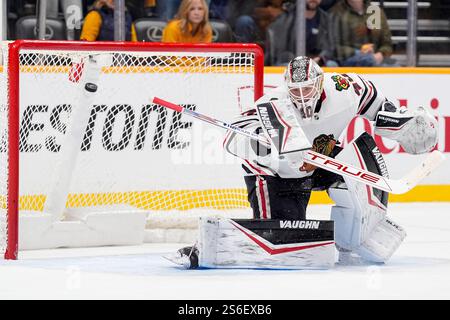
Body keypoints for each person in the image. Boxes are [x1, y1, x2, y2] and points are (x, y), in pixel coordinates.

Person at [169, 56, 438, 269]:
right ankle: (207, 245)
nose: (301, 96)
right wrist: (266, 147)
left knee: (351, 179)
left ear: (320, 83)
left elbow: (378, 105)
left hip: (322, 160)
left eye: (307, 88)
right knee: (285, 241)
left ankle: (357, 238)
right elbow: (232, 139)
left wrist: (403, 125)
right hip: (275, 175)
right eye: (295, 90)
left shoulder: (345, 88)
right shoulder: (272, 103)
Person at [265, 0, 337, 66]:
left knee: (332, 65)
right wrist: (298, 60)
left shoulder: (326, 19)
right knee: (285, 66)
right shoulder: (286, 18)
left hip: (317, 63)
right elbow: (281, 49)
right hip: (291, 62)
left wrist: (320, 58)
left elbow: (330, 47)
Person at [329, 0, 396, 66]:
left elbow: (387, 43)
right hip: (347, 59)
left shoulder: (375, 12)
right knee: (368, 59)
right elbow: (333, 47)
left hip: (375, 59)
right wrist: (358, 52)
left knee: (395, 66)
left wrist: (381, 54)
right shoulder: (336, 13)